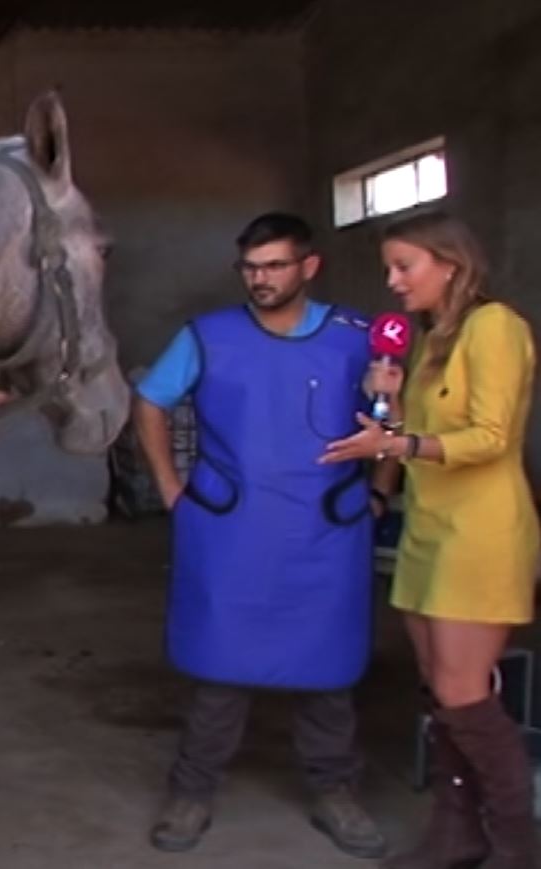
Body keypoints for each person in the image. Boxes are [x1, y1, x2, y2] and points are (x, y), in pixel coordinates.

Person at [132, 212, 387, 857]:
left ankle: (336, 792)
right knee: (219, 670)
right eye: (250, 267)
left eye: (274, 266)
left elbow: (396, 417)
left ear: (309, 266)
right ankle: (192, 791)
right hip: (233, 529)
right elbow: (150, 401)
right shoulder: (208, 337)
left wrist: (381, 490)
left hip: (325, 530)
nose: (260, 279)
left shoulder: (357, 339)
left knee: (327, 672)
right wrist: (171, 487)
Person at [321, 210, 538, 869]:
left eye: (402, 265)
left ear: (449, 263)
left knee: (465, 689)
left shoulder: (493, 327)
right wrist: (386, 409)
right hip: (426, 529)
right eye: (389, 266)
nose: (391, 280)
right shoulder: (428, 340)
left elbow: (490, 436)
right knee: (438, 687)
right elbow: (412, 432)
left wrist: (399, 441)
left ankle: (516, 843)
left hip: (480, 533)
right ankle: (455, 832)